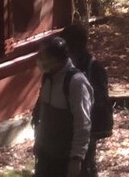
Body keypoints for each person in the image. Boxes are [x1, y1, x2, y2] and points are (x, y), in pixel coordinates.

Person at [31, 35, 92, 177]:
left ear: (55, 59)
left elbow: (82, 123)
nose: (39, 59)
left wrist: (77, 158)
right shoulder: (47, 76)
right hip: (47, 154)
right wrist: (39, 141)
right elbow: (44, 115)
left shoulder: (76, 82)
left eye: (43, 56)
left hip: (66, 157)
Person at [61, 21, 111, 176]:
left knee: (86, 165)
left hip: (88, 125)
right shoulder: (68, 66)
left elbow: (100, 99)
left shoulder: (93, 67)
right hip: (71, 126)